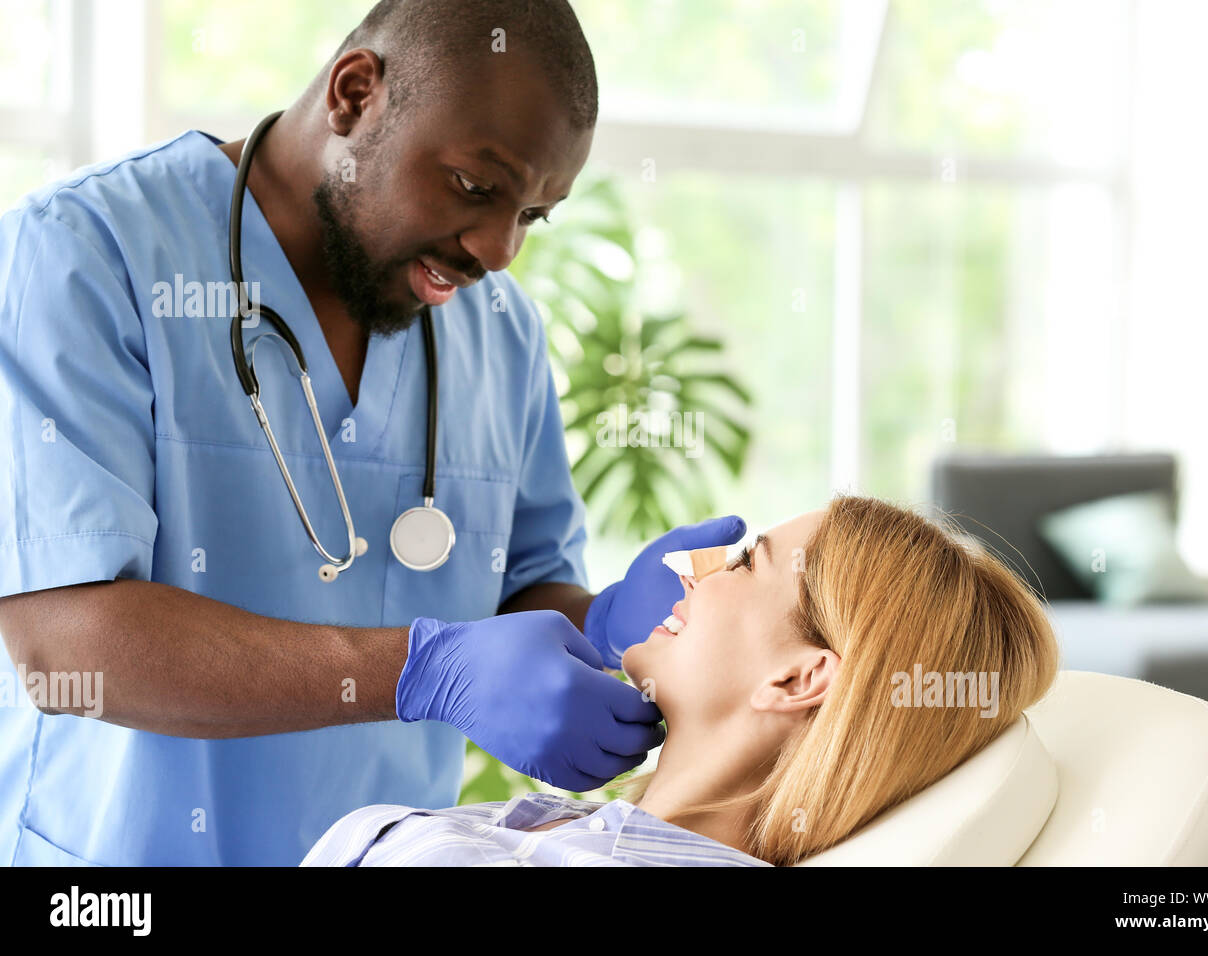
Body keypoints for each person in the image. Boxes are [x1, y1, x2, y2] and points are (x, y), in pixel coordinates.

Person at [0, 0, 742, 866]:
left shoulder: (498, 329)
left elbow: (518, 598)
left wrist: (608, 624)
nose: (500, 249)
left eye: (535, 215)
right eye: (477, 186)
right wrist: (420, 672)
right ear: (356, 93)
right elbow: (60, 638)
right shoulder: (87, 255)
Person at [302, 494, 1061, 867]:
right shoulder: (575, 838)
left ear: (798, 677)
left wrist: (424, 669)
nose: (692, 570)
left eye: (745, 562)